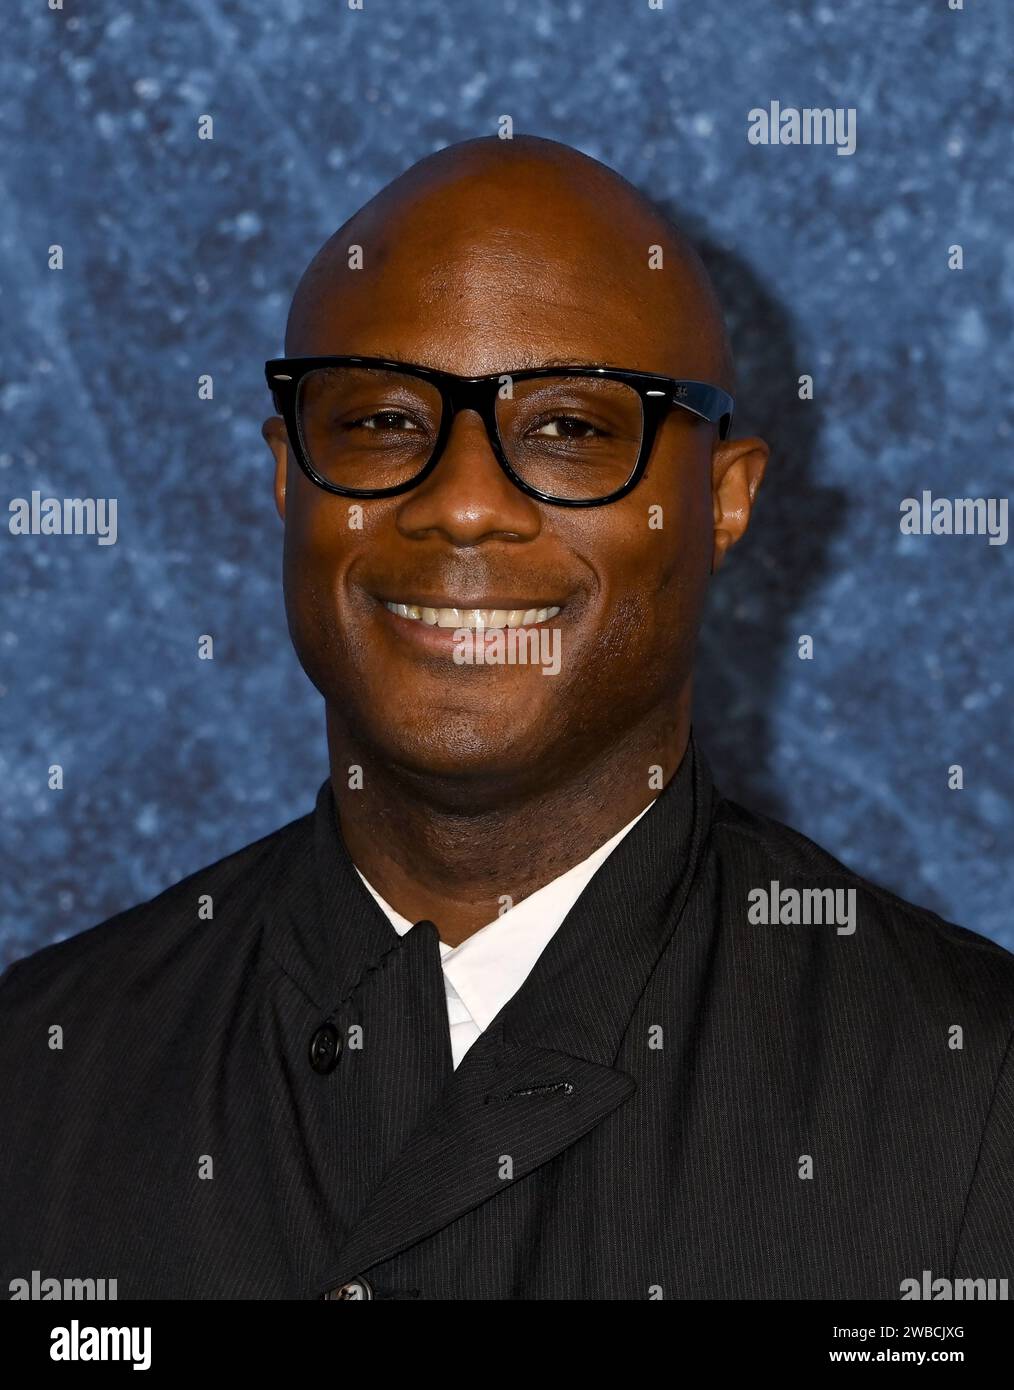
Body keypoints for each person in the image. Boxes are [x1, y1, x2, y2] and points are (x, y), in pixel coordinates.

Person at [2, 136, 1012, 1301]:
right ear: (290, 480)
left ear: (724, 501)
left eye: (571, 429)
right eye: (382, 422)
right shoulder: (41, 1078)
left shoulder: (974, 1101)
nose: (465, 504)